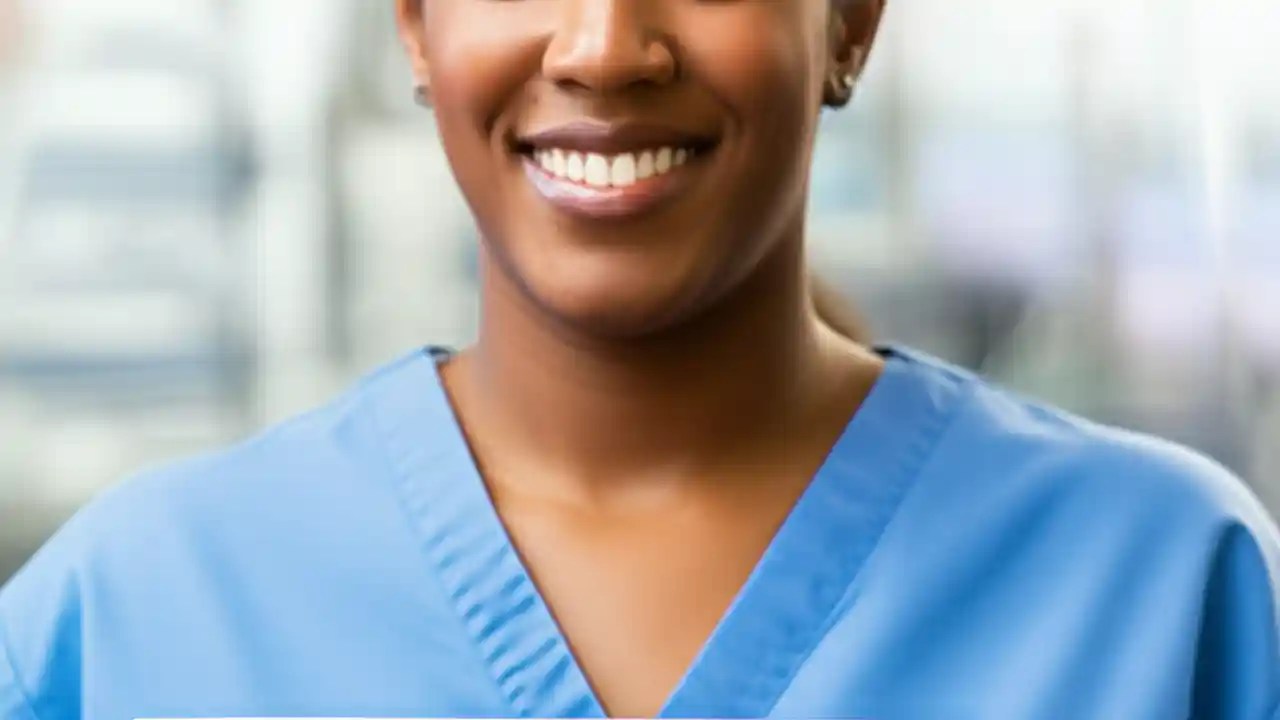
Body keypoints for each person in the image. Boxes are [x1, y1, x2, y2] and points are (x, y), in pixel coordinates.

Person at [1, 1, 1277, 718]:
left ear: (849, 22)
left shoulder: (1163, 590)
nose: (605, 46)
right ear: (415, 25)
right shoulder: (124, 622)